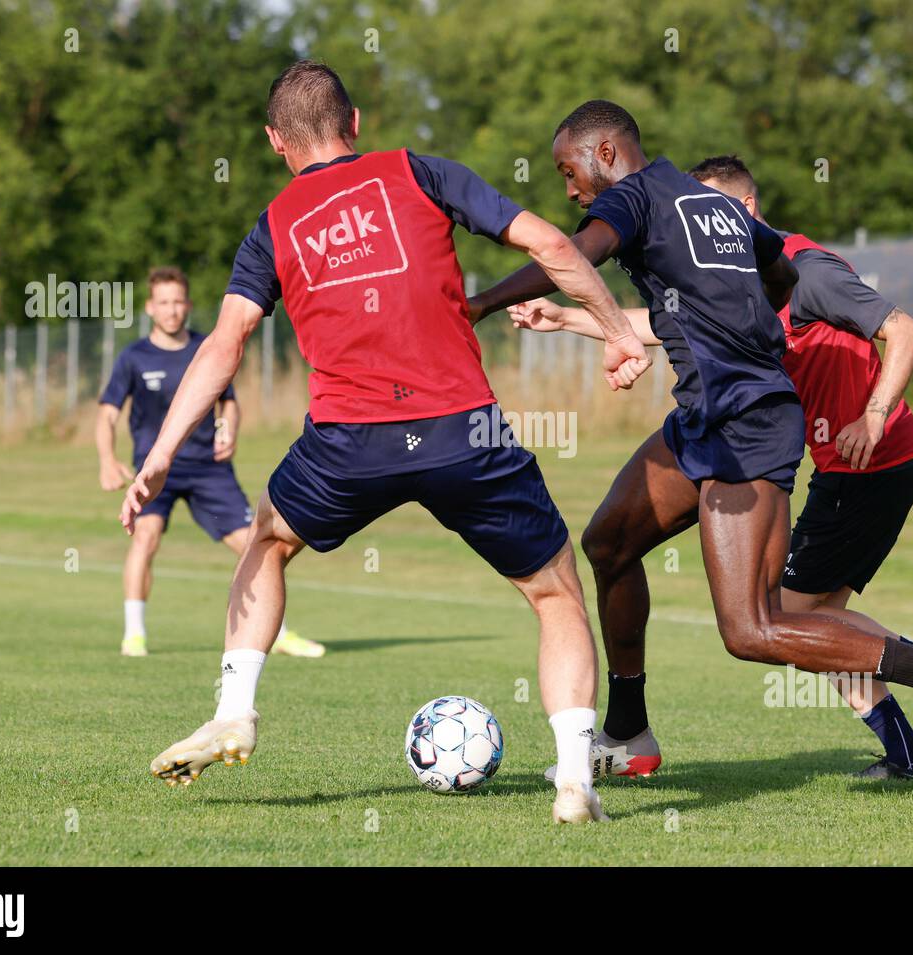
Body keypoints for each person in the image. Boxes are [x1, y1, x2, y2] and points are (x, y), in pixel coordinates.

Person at [121, 62, 651, 824]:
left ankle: (236, 708)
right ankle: (575, 778)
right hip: (461, 430)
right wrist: (612, 333)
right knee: (554, 593)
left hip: (347, 442)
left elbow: (225, 343)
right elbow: (554, 247)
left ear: (276, 142)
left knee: (266, 541)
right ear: (356, 123)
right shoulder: (422, 173)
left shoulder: (272, 225)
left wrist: (163, 451)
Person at [470, 100, 913, 787]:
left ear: (604, 154)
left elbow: (571, 256)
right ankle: (629, 732)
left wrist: (477, 305)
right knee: (609, 542)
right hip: (705, 417)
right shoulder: (711, 205)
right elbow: (777, 274)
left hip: (746, 426)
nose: (570, 189)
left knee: (753, 629)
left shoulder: (636, 197)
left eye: (568, 171)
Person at [96, 266, 323, 659]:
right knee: (145, 538)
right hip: (156, 471)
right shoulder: (133, 357)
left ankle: (278, 633)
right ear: (151, 307)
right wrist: (106, 459)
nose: (172, 310)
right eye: (164, 303)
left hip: (208, 469)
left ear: (189, 304)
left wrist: (229, 429)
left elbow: (228, 401)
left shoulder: (208, 348)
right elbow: (107, 414)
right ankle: (134, 635)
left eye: (179, 301)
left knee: (257, 545)